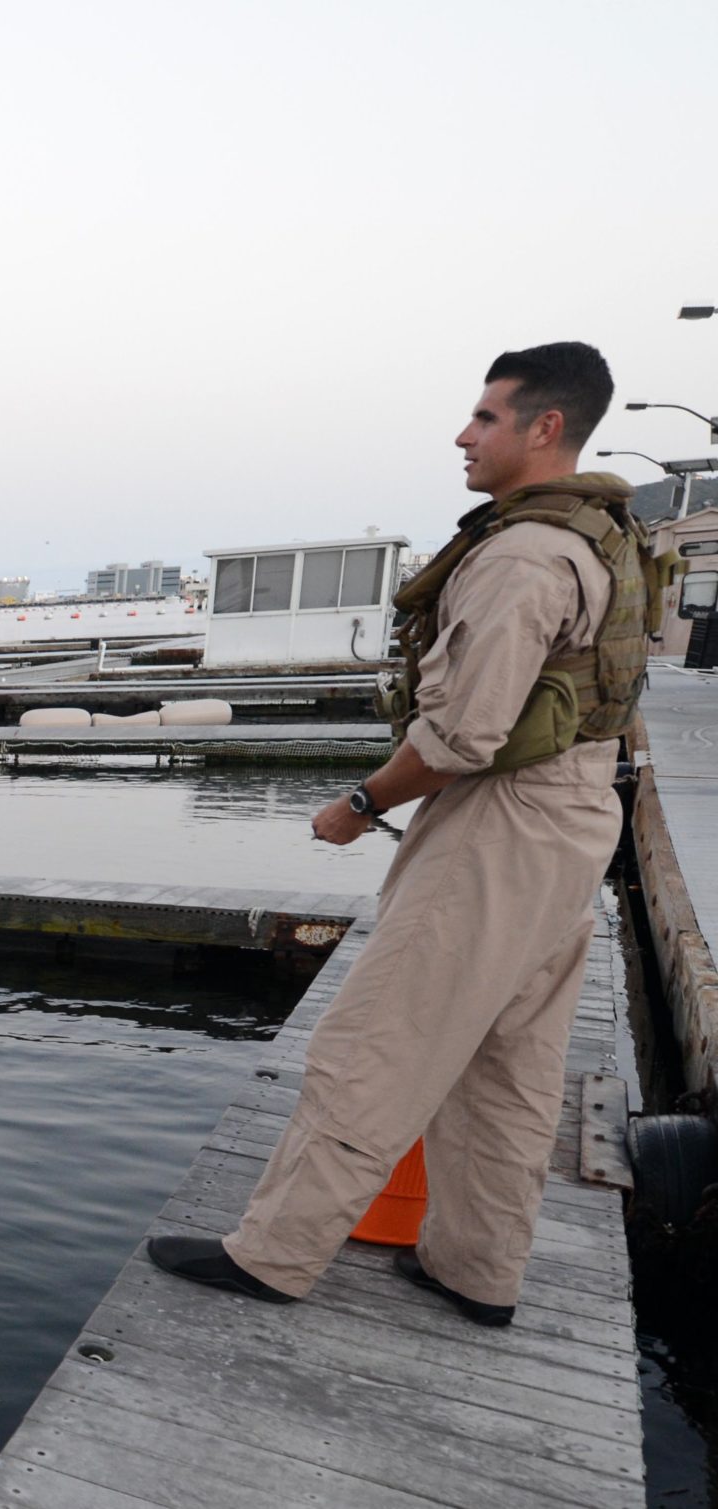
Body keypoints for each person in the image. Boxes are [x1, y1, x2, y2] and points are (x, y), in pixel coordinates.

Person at [148, 342, 653, 1328]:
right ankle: (476, 1268)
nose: (463, 436)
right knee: (508, 1062)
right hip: (577, 817)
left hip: (501, 828)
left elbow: (462, 737)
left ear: (544, 427)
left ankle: (275, 1256)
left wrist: (360, 804)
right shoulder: (601, 534)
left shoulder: (519, 555)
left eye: (485, 418)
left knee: (374, 1044)